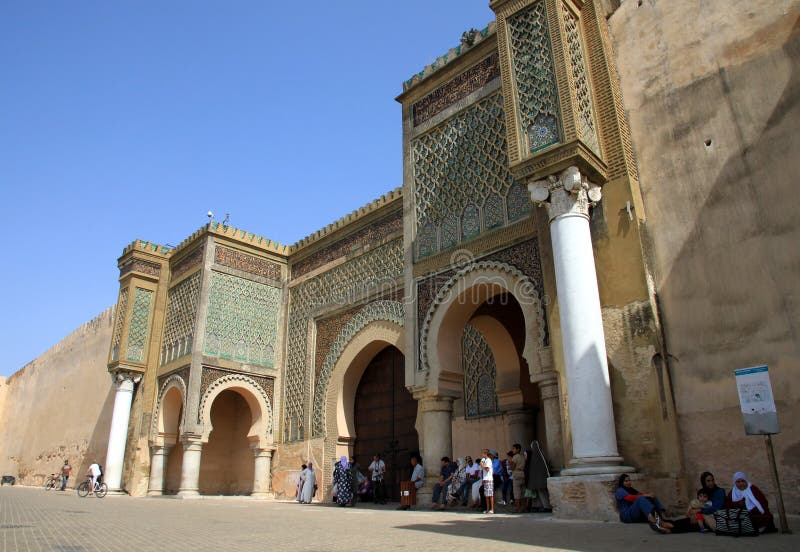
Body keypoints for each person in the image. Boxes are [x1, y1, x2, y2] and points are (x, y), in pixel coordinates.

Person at [526, 440, 551, 512]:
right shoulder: (540, 455)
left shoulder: (536, 456)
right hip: (539, 479)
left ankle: (547, 506)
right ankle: (540, 506)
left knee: (542, 493)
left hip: (539, 480)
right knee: (538, 493)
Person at [510, 444, 525, 513]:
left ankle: (517, 508)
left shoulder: (515, 457)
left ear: (518, 449)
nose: (513, 450)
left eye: (514, 448)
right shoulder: (523, 456)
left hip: (516, 474)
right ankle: (523, 507)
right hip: (523, 473)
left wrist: (510, 465)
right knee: (523, 492)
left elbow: (513, 467)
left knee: (516, 492)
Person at [481, 449, 495, 514]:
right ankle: (487, 509)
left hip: (489, 479)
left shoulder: (488, 460)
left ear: (485, 454)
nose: (482, 455)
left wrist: (482, 465)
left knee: (490, 495)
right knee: (486, 495)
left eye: (483, 453)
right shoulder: (485, 460)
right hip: (486, 479)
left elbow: (487, 469)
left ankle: (492, 509)